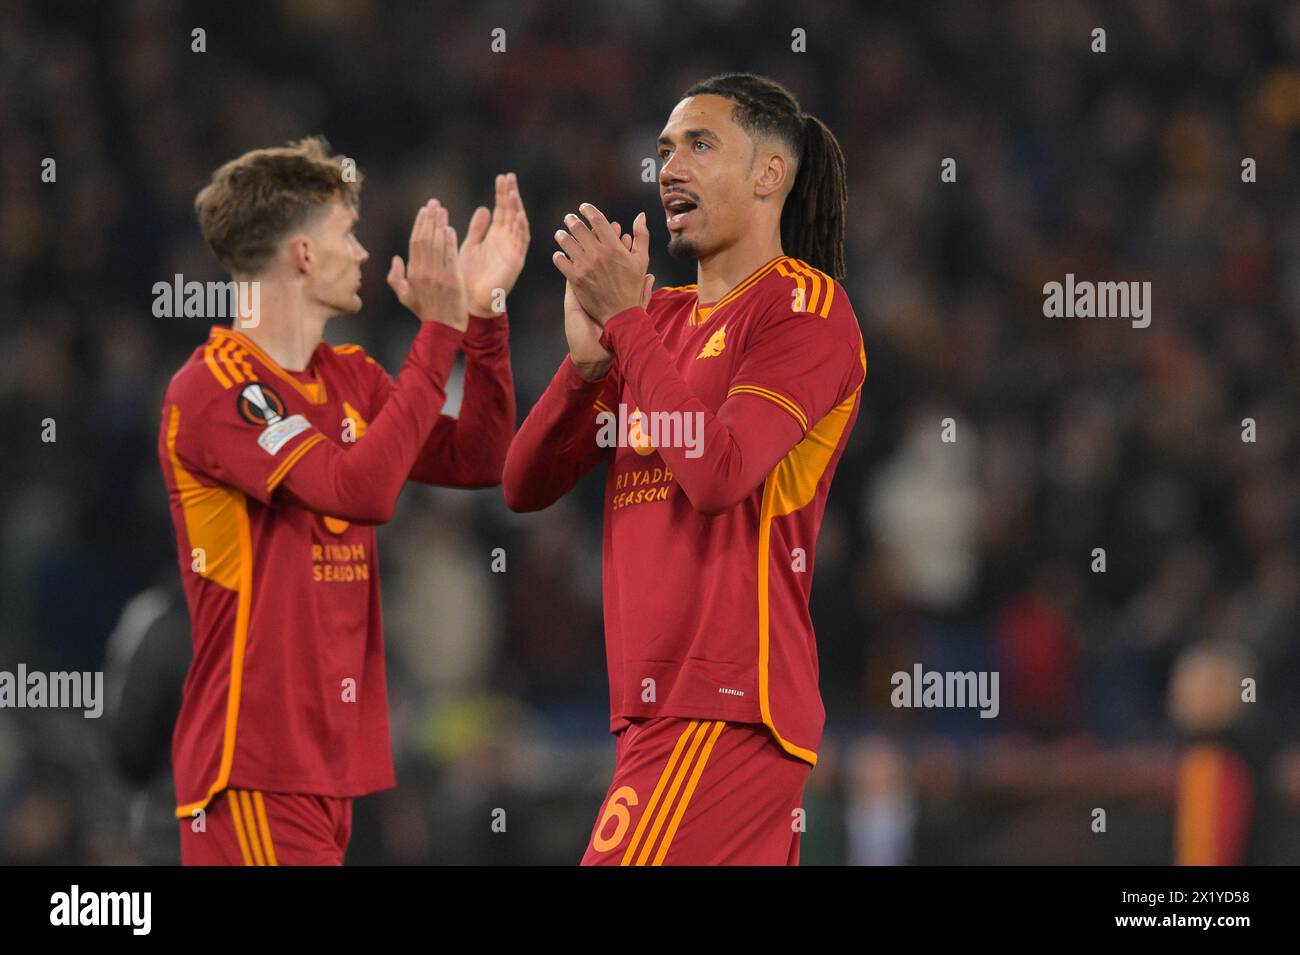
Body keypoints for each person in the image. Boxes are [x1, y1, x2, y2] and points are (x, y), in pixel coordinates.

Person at [504, 73, 865, 865]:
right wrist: (586, 367)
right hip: (656, 711)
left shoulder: (805, 309)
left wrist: (627, 327)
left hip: (726, 707)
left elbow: (718, 475)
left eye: (700, 145)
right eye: (664, 149)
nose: (669, 167)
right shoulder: (657, 322)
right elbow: (524, 484)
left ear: (771, 173)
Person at [157, 137, 527, 864]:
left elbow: (482, 457)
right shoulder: (214, 386)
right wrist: (438, 330)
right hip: (252, 768)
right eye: (345, 235)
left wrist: (482, 318)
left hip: (327, 768)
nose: (362, 253)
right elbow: (358, 490)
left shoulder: (350, 378)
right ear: (301, 254)